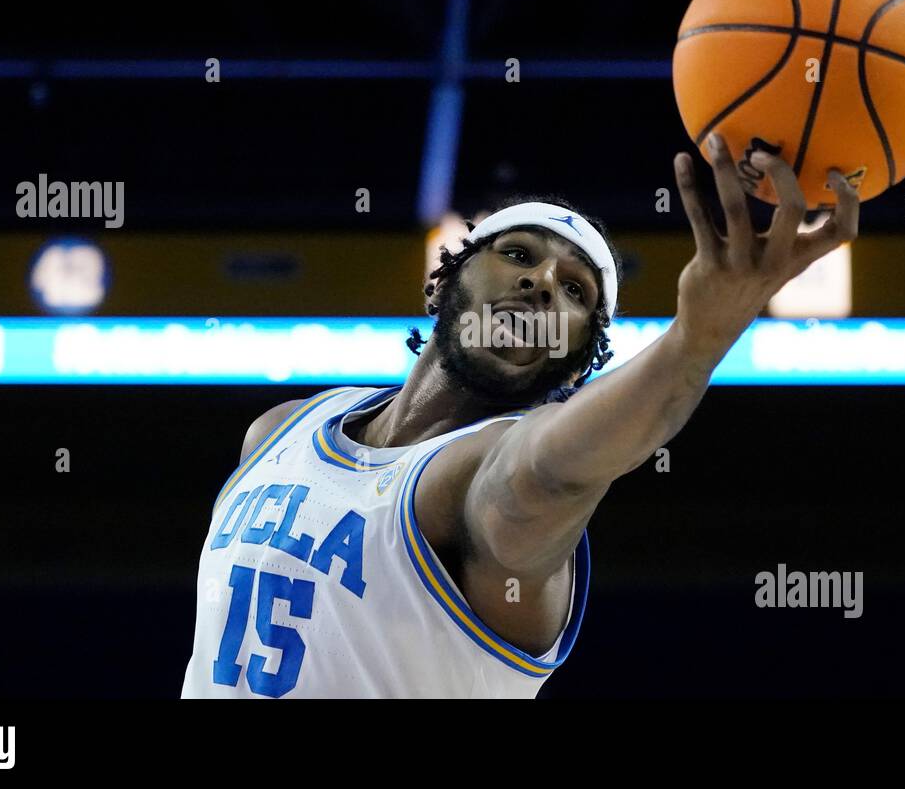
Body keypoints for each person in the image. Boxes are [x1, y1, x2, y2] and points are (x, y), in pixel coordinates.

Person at [180, 136, 859, 697]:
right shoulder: (280, 429)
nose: (540, 282)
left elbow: (555, 469)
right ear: (442, 282)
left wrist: (697, 338)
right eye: (518, 255)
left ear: (574, 367)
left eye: (574, 290)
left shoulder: (479, 479)